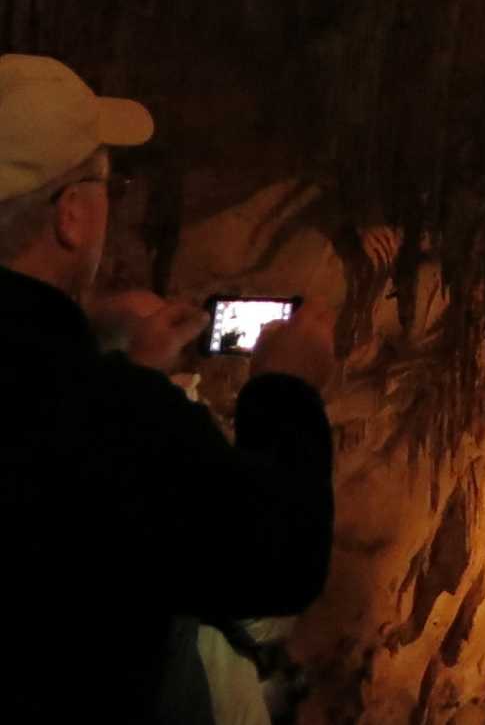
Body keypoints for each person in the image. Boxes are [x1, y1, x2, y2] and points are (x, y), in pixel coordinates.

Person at [0, 53, 337, 723]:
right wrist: (288, 390)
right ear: (71, 216)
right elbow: (278, 561)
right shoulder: (111, 419)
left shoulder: (91, 401)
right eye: (106, 183)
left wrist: (105, 350)